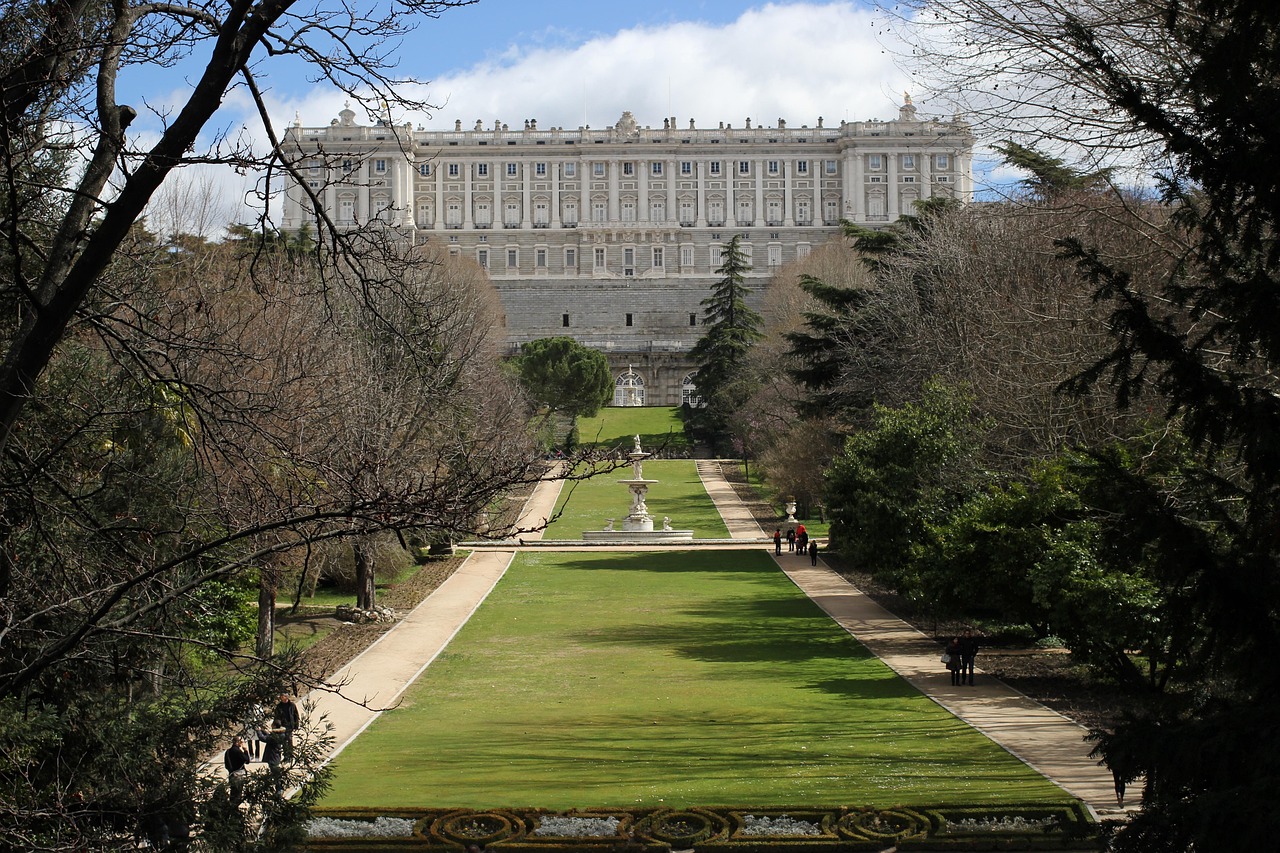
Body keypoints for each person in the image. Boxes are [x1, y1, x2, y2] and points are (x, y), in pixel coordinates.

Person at [273, 693, 301, 761]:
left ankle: (290, 755)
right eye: (281, 697)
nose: (282, 698)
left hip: (290, 725)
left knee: (289, 739)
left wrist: (296, 725)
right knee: (284, 741)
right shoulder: (279, 706)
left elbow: (296, 715)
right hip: (282, 726)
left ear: (286, 697)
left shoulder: (292, 705)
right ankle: (286, 756)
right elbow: (276, 716)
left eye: (283, 697)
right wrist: (277, 724)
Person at [223, 736, 251, 804]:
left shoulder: (228, 751)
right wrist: (246, 751)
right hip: (239, 774)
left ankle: (231, 807)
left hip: (231, 773)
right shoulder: (238, 751)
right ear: (238, 742)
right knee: (238, 793)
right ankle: (235, 808)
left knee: (233, 792)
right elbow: (247, 760)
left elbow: (227, 764)